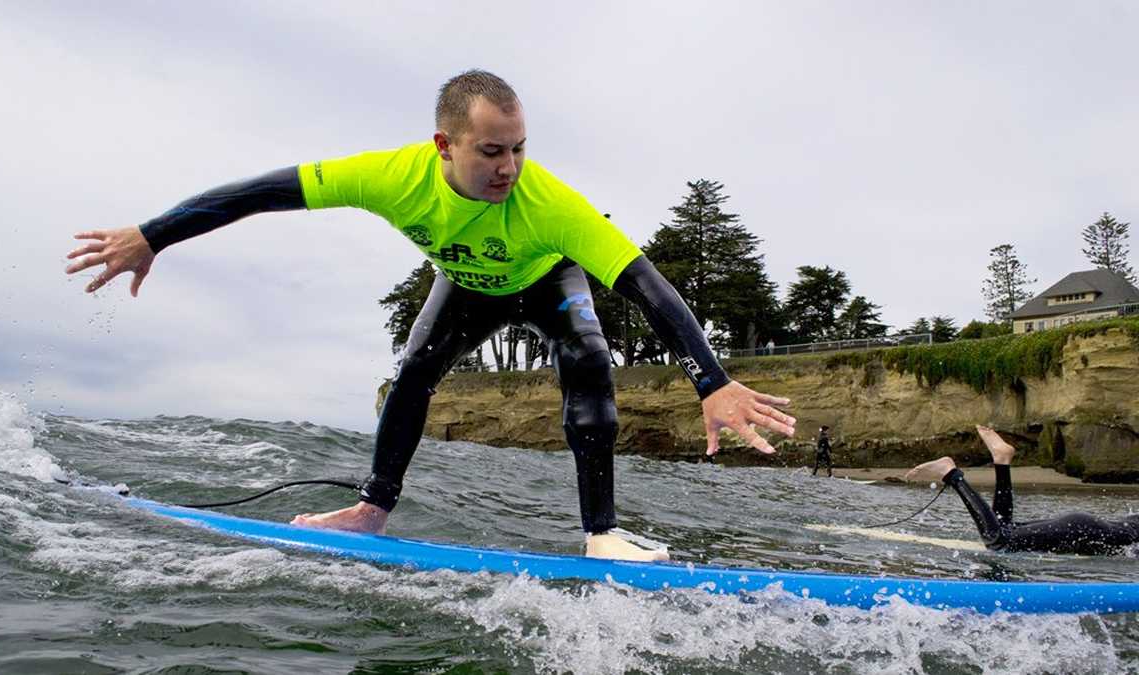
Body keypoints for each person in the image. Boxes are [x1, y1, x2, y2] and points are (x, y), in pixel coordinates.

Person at [65, 70, 797, 561]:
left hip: (546, 282)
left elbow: (646, 284)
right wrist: (152, 234)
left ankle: (600, 533)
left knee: (589, 359)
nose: (508, 167)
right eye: (490, 151)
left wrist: (712, 381)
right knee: (415, 369)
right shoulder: (392, 177)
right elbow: (260, 192)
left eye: (518, 148)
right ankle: (371, 510)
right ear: (444, 145)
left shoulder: (552, 205)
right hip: (467, 288)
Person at [905, 425, 1139, 555]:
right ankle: (951, 474)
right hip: (1082, 531)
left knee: (1003, 527)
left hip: (1084, 527)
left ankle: (1001, 459)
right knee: (1000, 542)